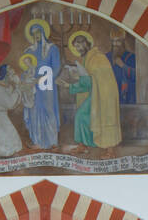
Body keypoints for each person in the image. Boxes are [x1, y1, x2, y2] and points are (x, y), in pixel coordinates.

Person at [64, 31, 122, 156]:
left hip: (103, 96)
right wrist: (73, 82)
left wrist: (75, 82)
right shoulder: (86, 58)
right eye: (76, 47)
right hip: (94, 94)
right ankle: (83, 145)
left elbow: (97, 79)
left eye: (79, 46)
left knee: (105, 118)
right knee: (81, 116)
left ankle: (110, 151)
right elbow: (88, 81)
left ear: (86, 43)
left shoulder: (97, 57)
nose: (78, 49)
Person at [22, 18, 61, 149]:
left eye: (38, 32)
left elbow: (56, 67)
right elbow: (25, 70)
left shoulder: (52, 49)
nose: (36, 35)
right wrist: (26, 80)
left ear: (43, 32)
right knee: (34, 112)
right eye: (33, 34)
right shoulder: (28, 51)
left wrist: (43, 78)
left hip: (47, 85)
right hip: (33, 87)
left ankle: (52, 142)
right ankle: (37, 142)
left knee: (49, 111)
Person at [107, 34, 136, 104]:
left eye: (118, 41)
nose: (115, 44)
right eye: (113, 41)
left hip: (127, 95)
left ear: (123, 42)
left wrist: (123, 65)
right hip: (110, 93)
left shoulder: (131, 56)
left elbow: (136, 76)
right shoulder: (107, 57)